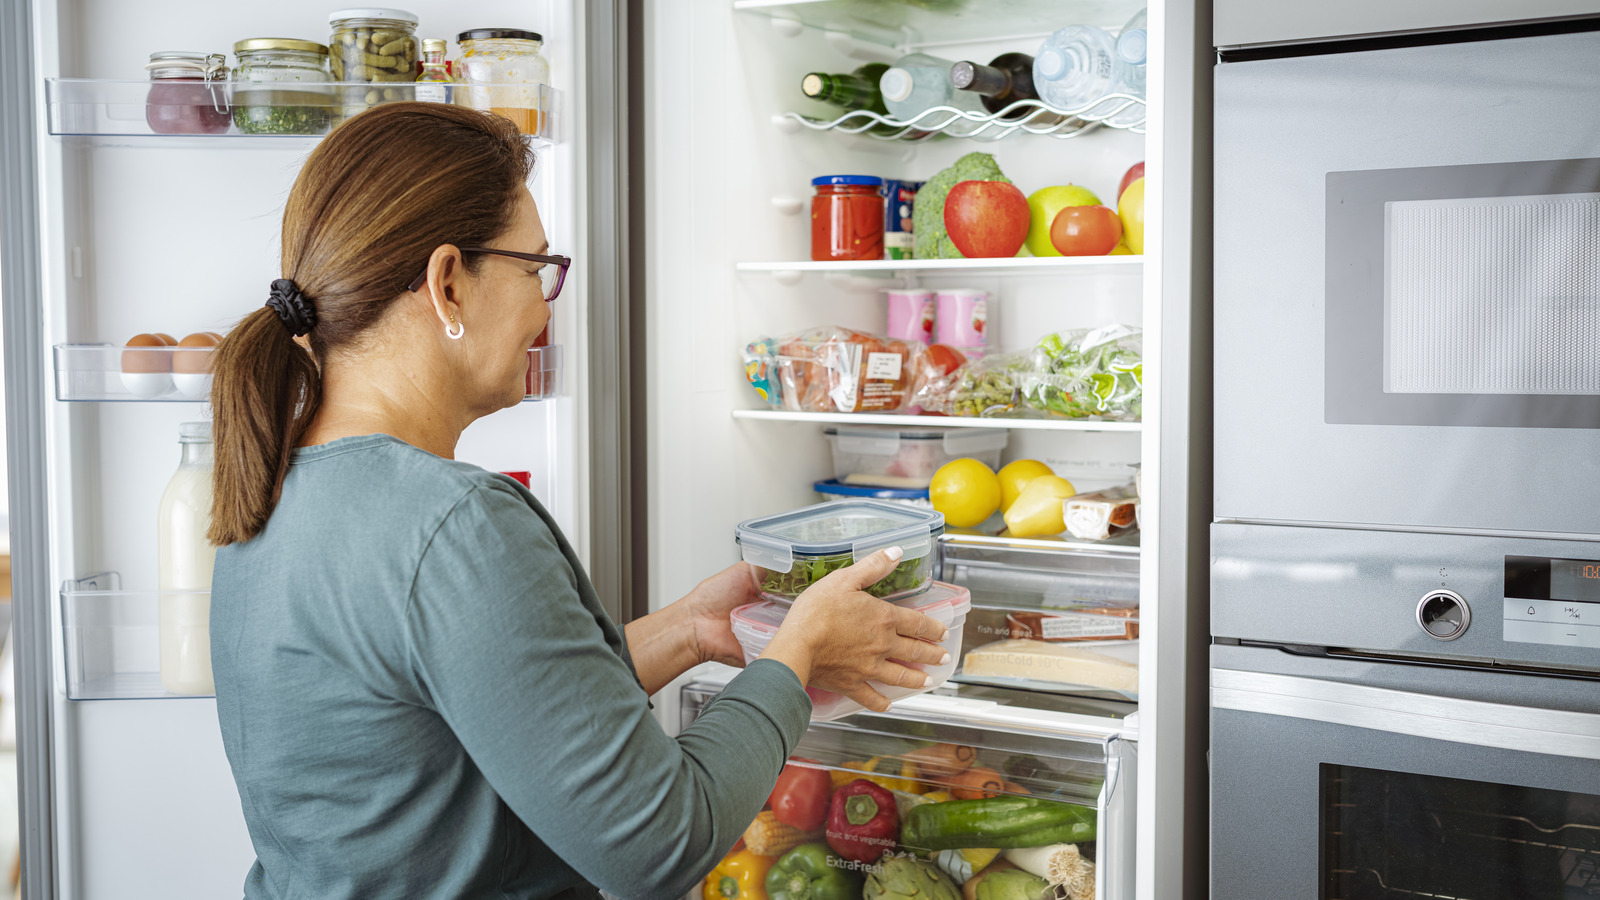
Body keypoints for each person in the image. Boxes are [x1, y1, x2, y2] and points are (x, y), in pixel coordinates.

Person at [205, 102, 950, 900]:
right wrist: (796, 657)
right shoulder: (454, 525)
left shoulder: (274, 486)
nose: (544, 306)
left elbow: (488, 722)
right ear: (448, 284)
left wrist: (686, 632)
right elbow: (661, 843)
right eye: (535, 269)